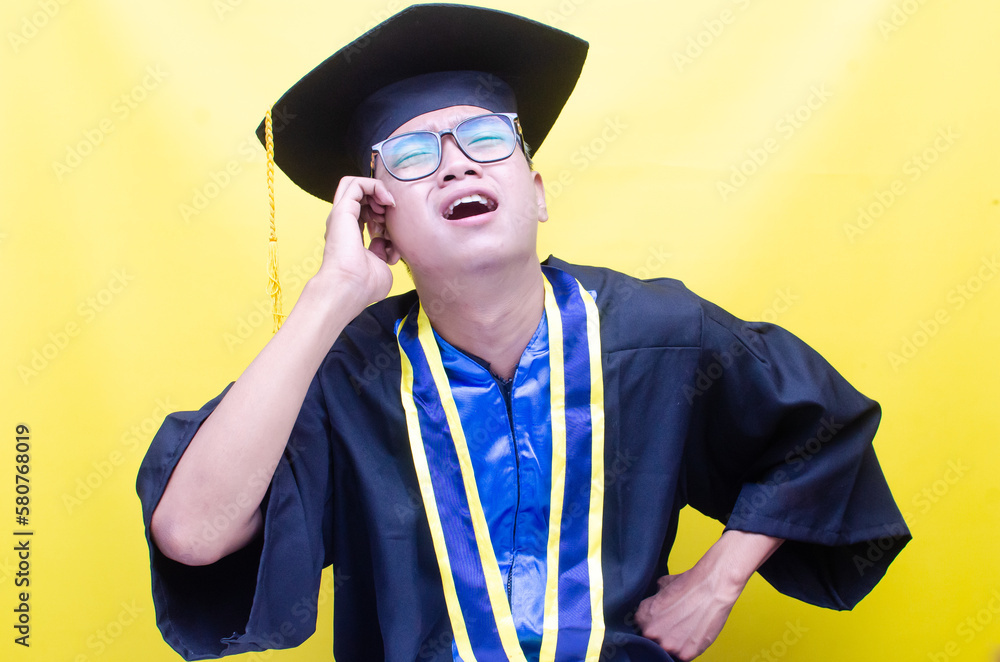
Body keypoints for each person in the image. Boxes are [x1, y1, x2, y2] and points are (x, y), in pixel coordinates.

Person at [137, 4, 910, 661]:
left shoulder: (658, 336)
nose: (456, 167)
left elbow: (824, 430)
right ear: (381, 225)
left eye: (486, 138)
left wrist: (719, 576)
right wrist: (329, 298)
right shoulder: (345, 377)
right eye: (410, 155)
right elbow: (192, 534)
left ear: (535, 193)